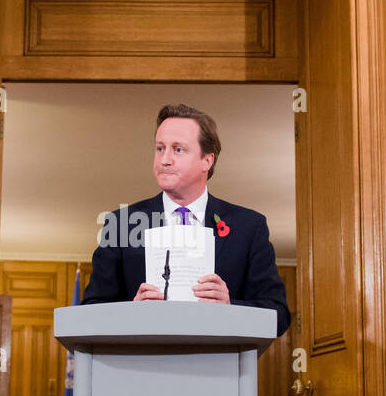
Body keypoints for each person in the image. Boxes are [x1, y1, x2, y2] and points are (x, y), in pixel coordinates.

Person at [82, 103, 290, 336]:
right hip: (140, 366)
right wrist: (132, 312)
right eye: (160, 148)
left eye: (178, 149)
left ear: (207, 161)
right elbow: (90, 311)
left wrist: (231, 308)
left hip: (219, 367)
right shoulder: (121, 224)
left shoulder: (249, 227)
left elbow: (278, 315)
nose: (164, 160)